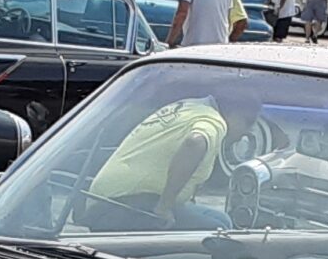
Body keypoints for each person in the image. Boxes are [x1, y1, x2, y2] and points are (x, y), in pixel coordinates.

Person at [82, 85, 263, 229]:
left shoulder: (191, 106)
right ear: (233, 113)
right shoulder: (214, 122)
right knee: (216, 231)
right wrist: (164, 206)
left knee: (221, 220)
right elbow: (195, 142)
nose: (246, 132)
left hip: (105, 198)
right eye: (247, 123)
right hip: (122, 204)